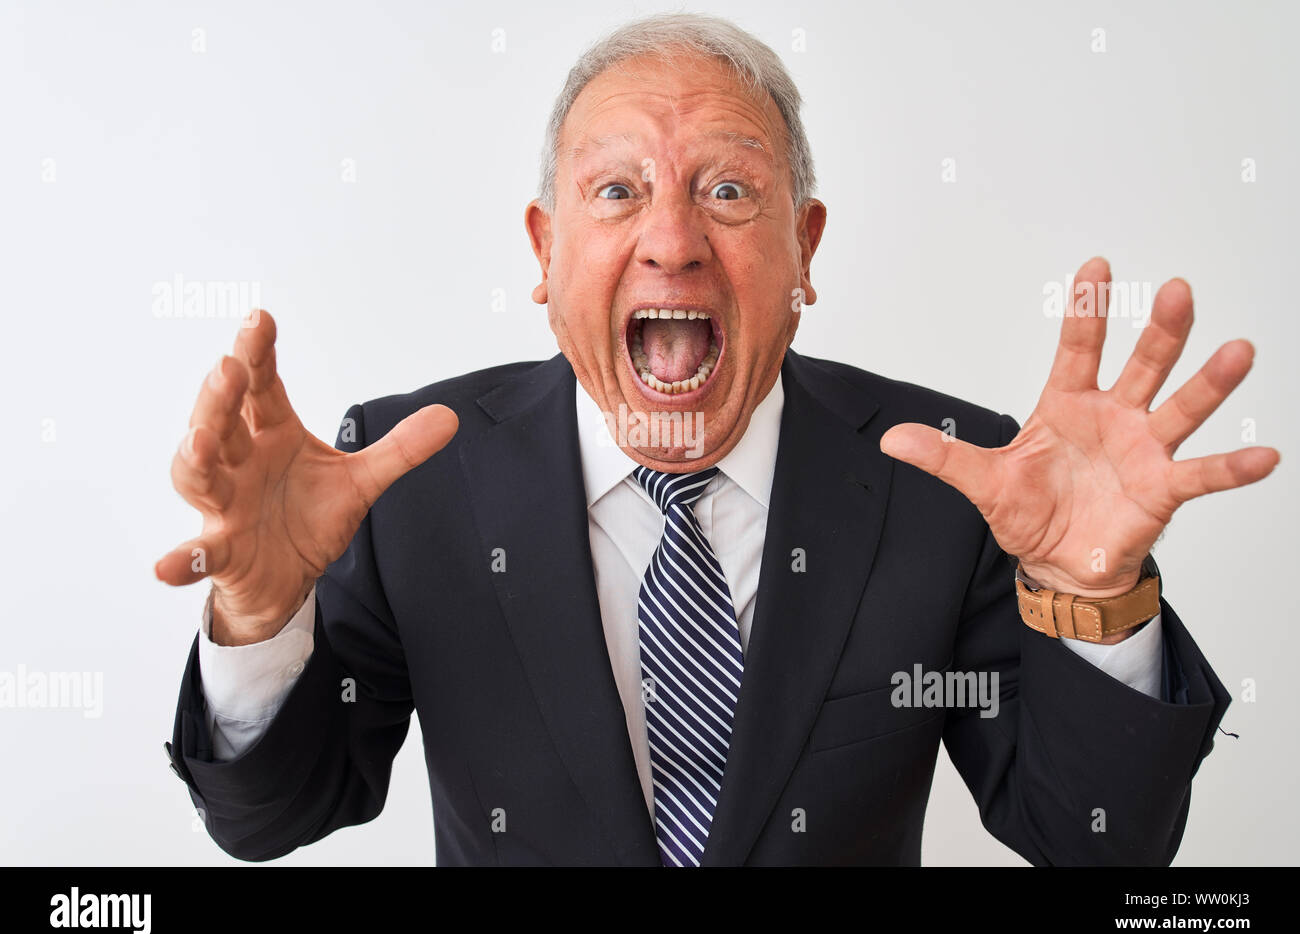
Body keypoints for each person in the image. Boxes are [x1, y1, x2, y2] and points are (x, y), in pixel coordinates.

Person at [157, 12, 1277, 866]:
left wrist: (1096, 595)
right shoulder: (405, 471)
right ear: (545, 253)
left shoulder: (953, 477)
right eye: (617, 191)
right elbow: (276, 818)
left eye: (729, 190)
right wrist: (260, 618)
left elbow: (1096, 840)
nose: (672, 241)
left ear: (804, 248)